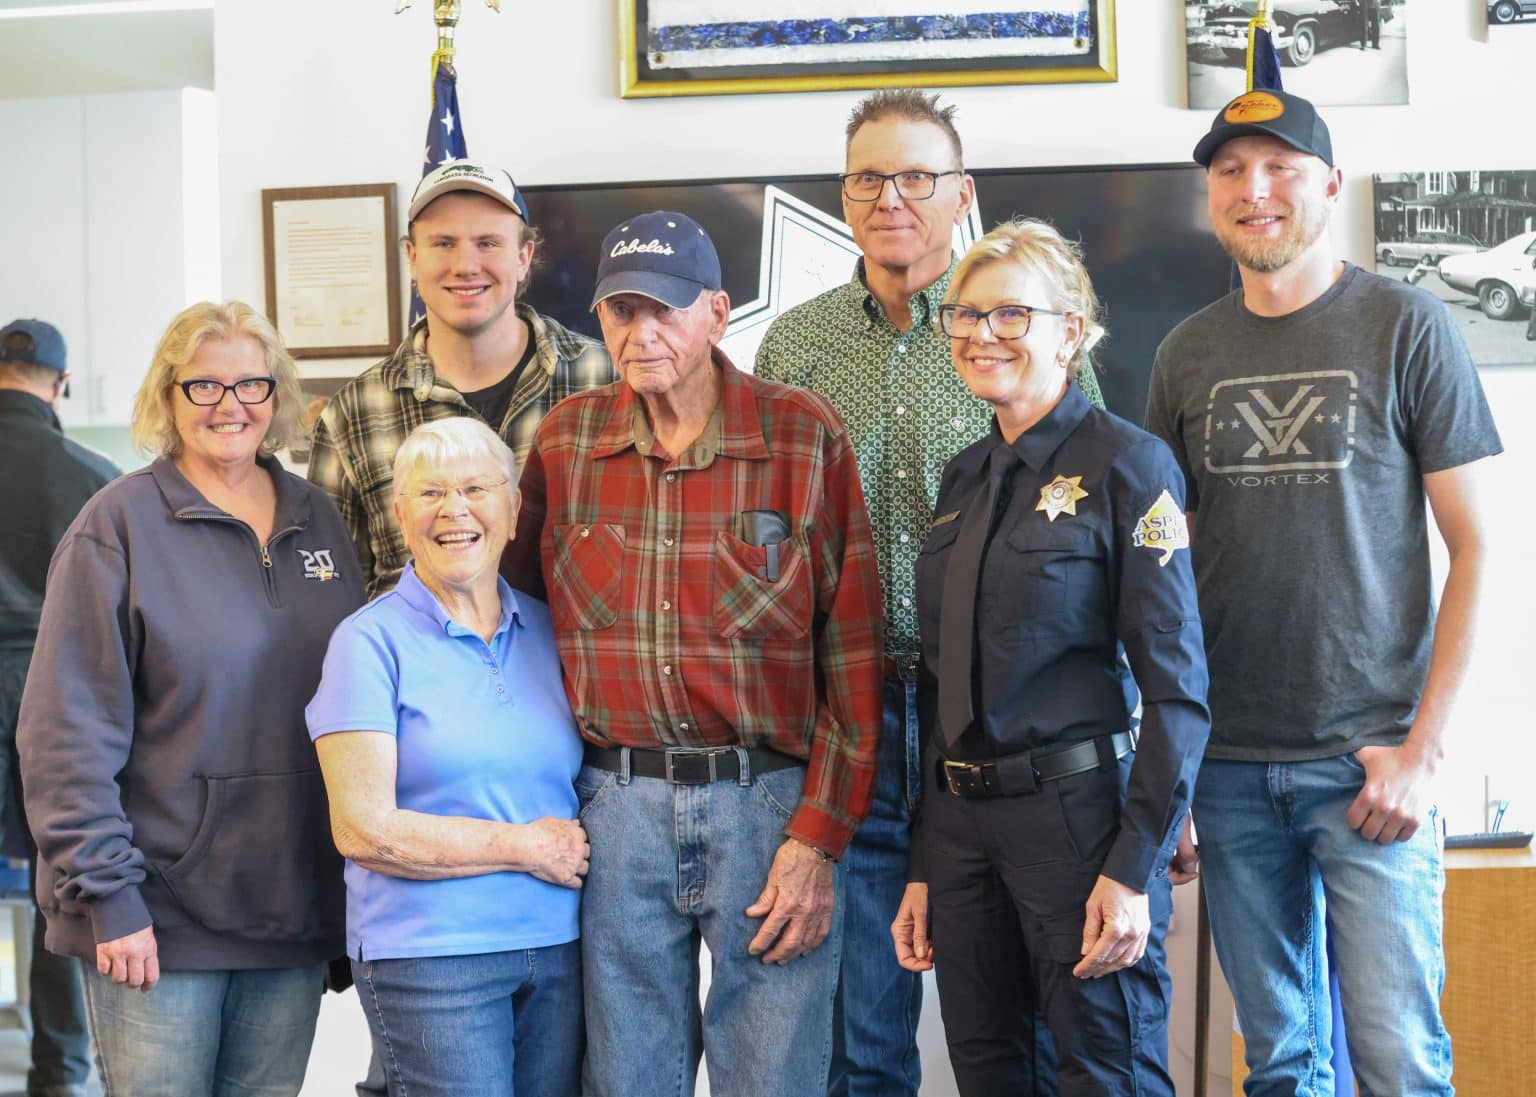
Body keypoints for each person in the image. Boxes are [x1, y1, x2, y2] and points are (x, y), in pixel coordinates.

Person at [1146, 89, 1501, 1095]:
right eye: (1229, 172)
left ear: (1331, 186)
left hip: (1370, 768)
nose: (1254, 191)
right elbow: (1166, 577)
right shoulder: (1183, 353)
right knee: (1282, 1063)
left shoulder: (1407, 324)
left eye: (1281, 168)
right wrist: (1169, 771)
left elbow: (1476, 546)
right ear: (1210, 195)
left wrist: (1422, 754)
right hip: (1228, 765)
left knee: (1398, 1061)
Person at [755, 89, 1105, 1096]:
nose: (892, 197)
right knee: (859, 1026)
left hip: (1003, 717)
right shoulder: (797, 345)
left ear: (964, 194)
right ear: (844, 195)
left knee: (1022, 1020)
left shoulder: (1017, 326)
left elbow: (1095, 526)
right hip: (855, 709)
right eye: (869, 176)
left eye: (918, 175)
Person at [503, 210, 883, 1097]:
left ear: (717, 311)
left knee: (775, 1081)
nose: (642, 334)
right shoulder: (564, 444)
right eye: (621, 311)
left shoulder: (803, 436)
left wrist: (819, 842)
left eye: (665, 310)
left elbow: (856, 668)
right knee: (628, 1080)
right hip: (614, 807)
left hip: (768, 805)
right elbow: (510, 623)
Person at [888, 219, 1208, 1095]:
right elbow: (939, 684)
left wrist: (1133, 864)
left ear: (1071, 329)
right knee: (990, 1072)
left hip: (1079, 825)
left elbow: (1178, 690)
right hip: (961, 830)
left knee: (1106, 1073)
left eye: (1009, 313)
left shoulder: (1129, 466)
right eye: (963, 314)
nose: (980, 333)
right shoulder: (964, 478)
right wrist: (924, 860)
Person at [16, 301, 364, 1095]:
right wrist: (109, 896)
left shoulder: (321, 522)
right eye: (203, 385)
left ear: (277, 397)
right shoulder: (118, 525)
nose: (229, 404)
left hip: (289, 910)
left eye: (250, 383)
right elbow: (65, 731)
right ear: (166, 397)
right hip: (157, 915)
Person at [307, 417, 588, 1096]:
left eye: (474, 489)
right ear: (402, 517)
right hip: (431, 958)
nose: (454, 510)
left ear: (513, 510)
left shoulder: (554, 631)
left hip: (558, 947)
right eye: (429, 493)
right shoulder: (367, 643)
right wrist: (523, 847)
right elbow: (364, 828)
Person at [309, 158, 615, 598]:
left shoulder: (607, 379)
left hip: (562, 666)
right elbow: (330, 593)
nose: (466, 265)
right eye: (443, 243)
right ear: (412, 257)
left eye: (488, 243)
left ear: (524, 256)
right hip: (411, 667)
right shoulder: (350, 415)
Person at [0, 318, 115, 1097]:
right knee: (60, 885)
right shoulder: (94, 475)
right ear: (61, 385)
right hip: (52, 702)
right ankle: (60, 1074)